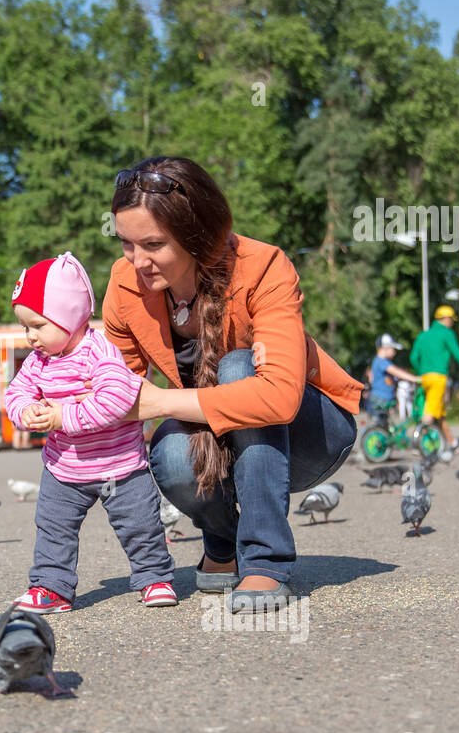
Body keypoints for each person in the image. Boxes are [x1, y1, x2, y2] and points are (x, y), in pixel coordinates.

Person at [92, 157, 361, 613]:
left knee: (239, 367)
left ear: (196, 236)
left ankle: (265, 561)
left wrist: (160, 401)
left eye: (153, 244)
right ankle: (224, 542)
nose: (137, 261)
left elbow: (276, 399)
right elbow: (120, 393)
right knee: (169, 452)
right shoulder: (125, 284)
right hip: (223, 439)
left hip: (312, 434)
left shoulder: (263, 266)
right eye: (126, 243)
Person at [6, 252, 177, 611]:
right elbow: (16, 393)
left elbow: (117, 398)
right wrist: (27, 411)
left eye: (38, 325)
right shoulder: (39, 363)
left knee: (140, 526)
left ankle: (155, 577)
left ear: (69, 316)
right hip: (63, 469)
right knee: (53, 529)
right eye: (25, 327)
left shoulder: (98, 351)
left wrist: (63, 417)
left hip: (120, 466)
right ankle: (51, 586)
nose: (30, 337)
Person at [409, 305, 459, 460]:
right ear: (446, 319)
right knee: (430, 414)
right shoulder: (447, 333)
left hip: (424, 378)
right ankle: (419, 445)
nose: (452, 323)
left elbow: (413, 357)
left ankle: (452, 443)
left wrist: (421, 373)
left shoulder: (423, 335)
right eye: (452, 320)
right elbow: (458, 356)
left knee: (439, 412)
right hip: (438, 378)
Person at [366, 334, 421, 424]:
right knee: (381, 426)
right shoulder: (381, 361)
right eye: (393, 349)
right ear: (386, 347)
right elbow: (396, 372)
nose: (394, 352)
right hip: (380, 398)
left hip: (382, 398)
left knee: (385, 426)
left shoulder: (382, 361)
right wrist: (415, 379)